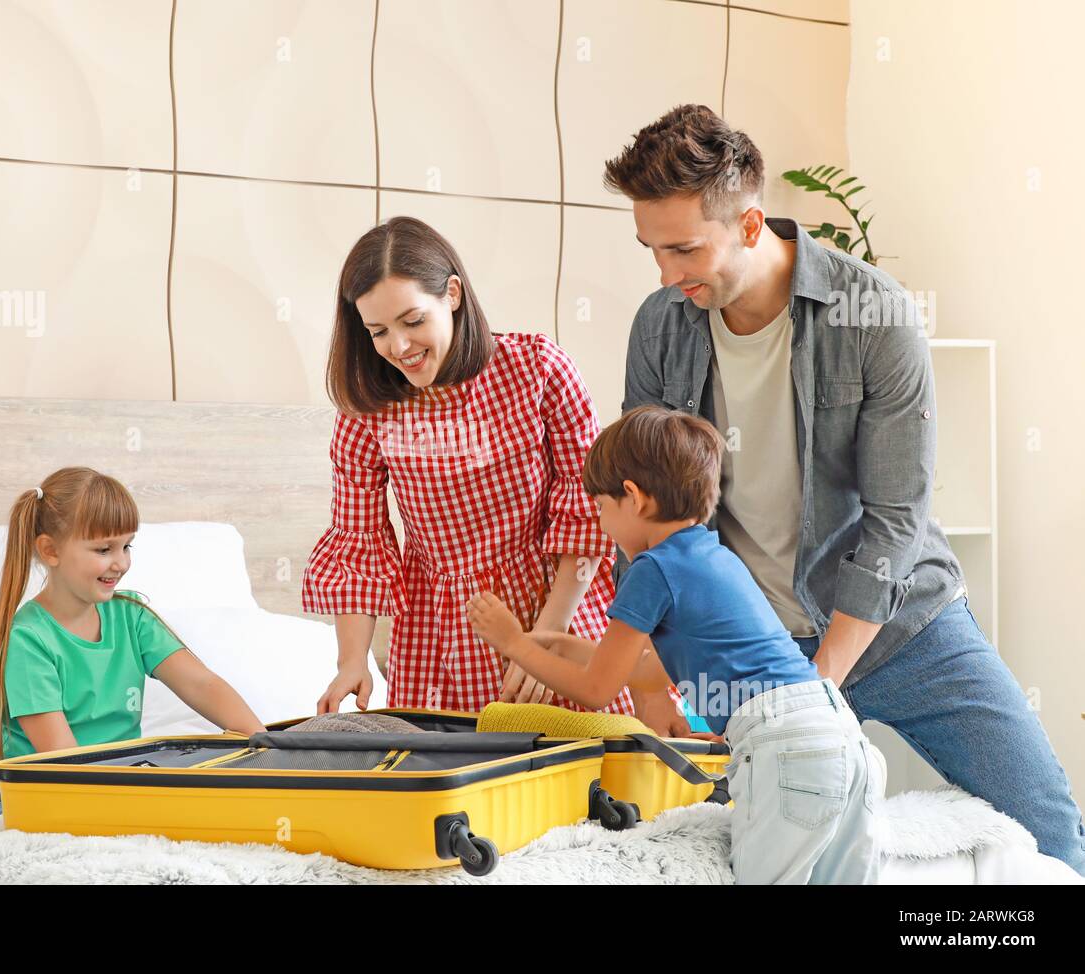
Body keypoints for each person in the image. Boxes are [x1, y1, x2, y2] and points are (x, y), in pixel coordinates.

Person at [604, 103, 1084, 875]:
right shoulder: (661, 326)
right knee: (731, 857)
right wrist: (654, 681)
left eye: (685, 249)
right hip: (750, 643)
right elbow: (646, 518)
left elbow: (896, 521)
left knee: (1047, 829)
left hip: (901, 624)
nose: (666, 276)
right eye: (652, 250)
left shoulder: (875, 314)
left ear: (751, 224)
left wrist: (814, 692)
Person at [468, 405, 886, 884]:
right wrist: (560, 646)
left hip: (787, 746)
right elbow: (646, 671)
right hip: (837, 732)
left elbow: (597, 690)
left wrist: (514, 643)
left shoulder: (651, 569)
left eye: (601, 509)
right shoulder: (713, 556)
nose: (602, 525)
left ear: (632, 498)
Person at [304, 216, 635, 716]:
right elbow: (360, 541)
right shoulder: (367, 410)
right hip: (437, 634)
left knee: (590, 776)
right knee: (454, 783)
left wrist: (543, 639)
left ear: (453, 294)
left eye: (413, 321)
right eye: (377, 331)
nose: (398, 347)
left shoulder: (538, 369)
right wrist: (354, 661)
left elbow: (587, 515)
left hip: (555, 607)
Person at [0, 466, 264, 823]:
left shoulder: (133, 616)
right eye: (103, 549)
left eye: (126, 546)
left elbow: (200, 684)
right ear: (50, 550)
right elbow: (60, 757)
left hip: (105, 775)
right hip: (34, 780)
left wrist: (260, 742)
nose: (120, 562)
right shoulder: (30, 639)